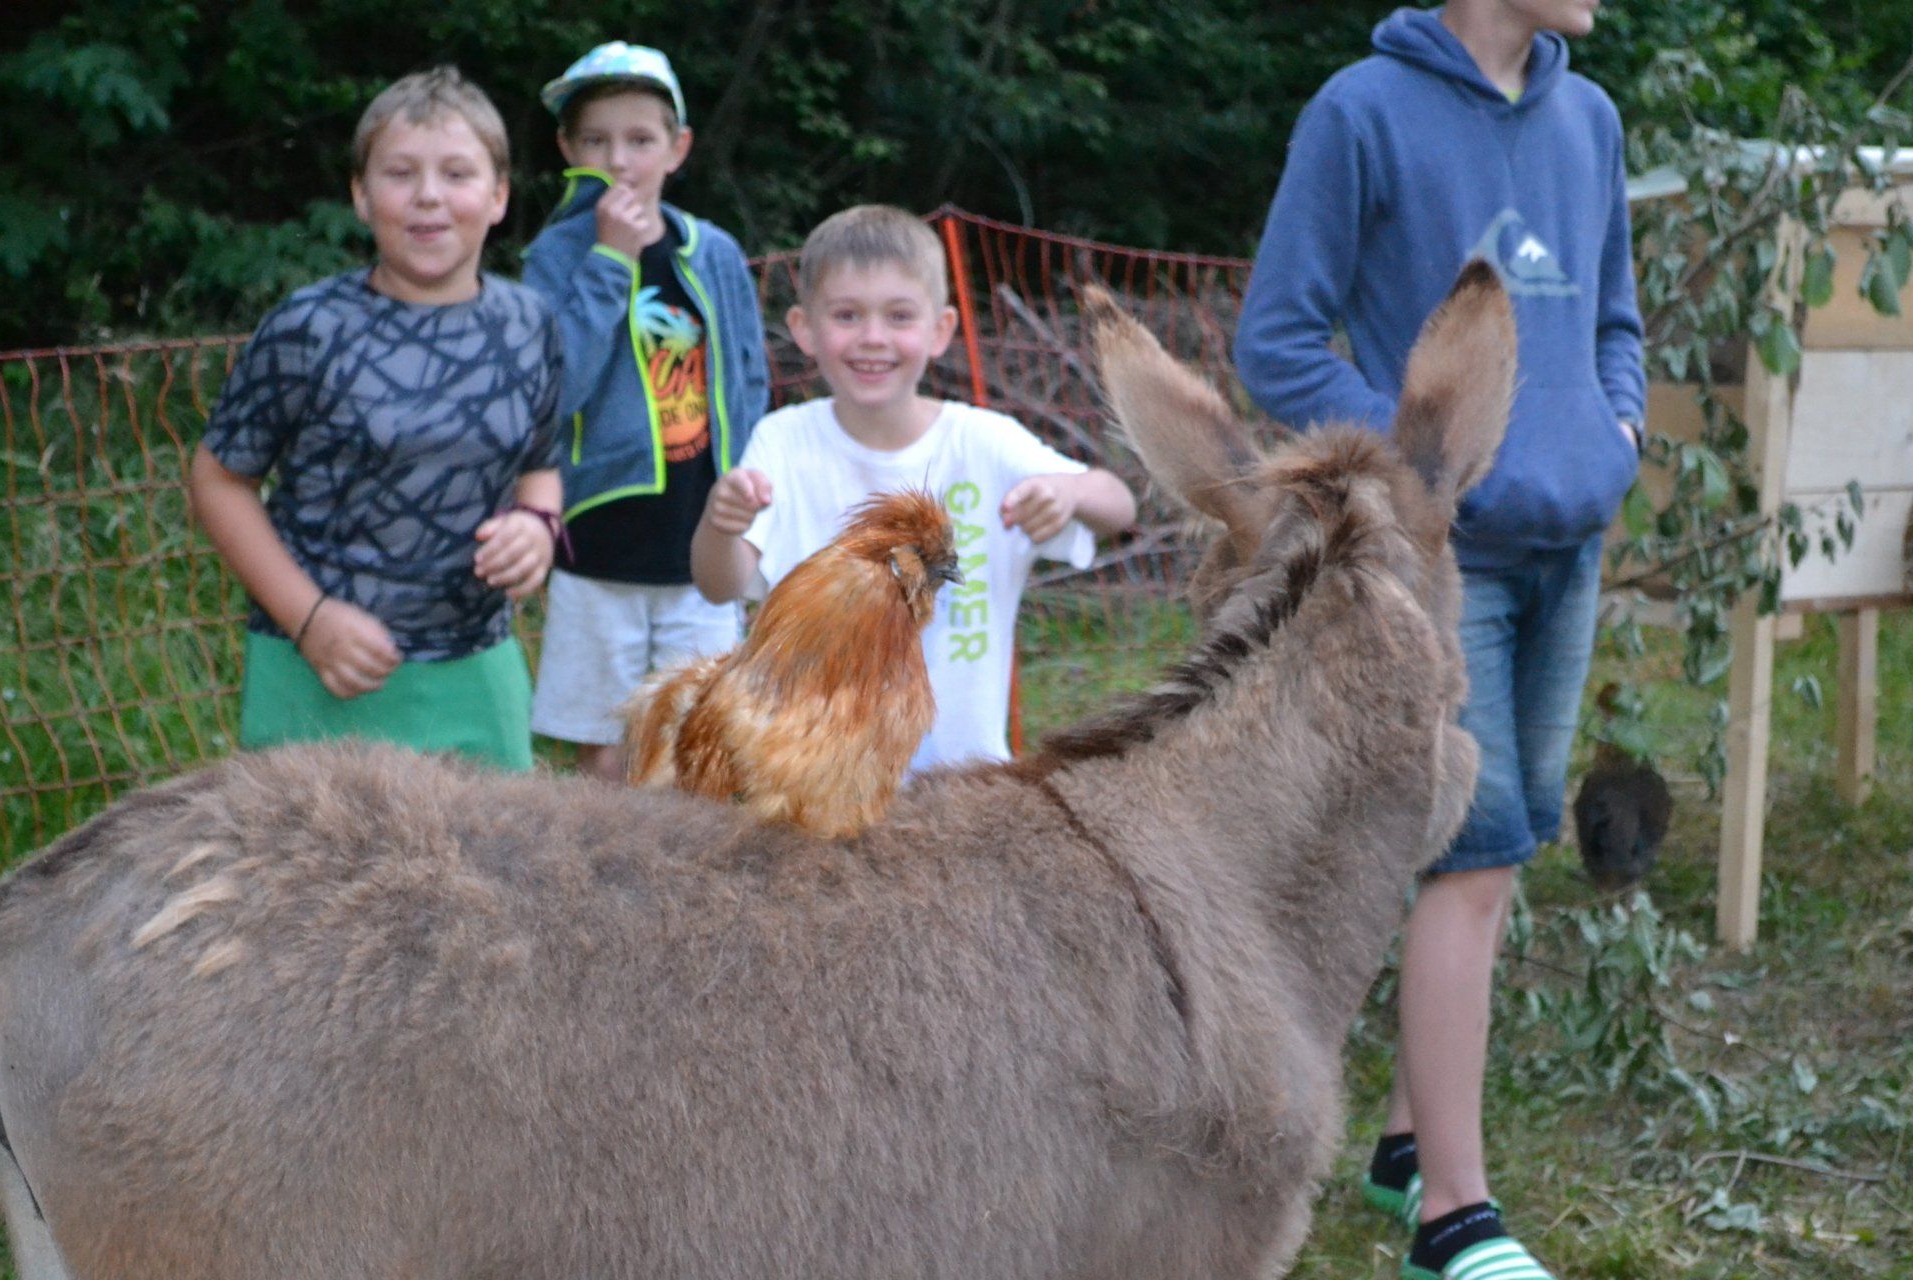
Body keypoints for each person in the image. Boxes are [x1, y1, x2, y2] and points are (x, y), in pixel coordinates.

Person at [1232, 3, 1643, 1279]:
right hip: (1444, 563)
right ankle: (1453, 1220)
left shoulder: (1592, 118)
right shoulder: (1361, 109)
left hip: (1571, 544)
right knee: (1467, 857)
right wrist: (1421, 477)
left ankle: (1409, 1138)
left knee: (1501, 851)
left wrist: (1616, 433)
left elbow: (1614, 319)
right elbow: (1279, 337)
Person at [189, 66, 563, 773]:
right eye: (400, 174)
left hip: (476, 676)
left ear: (499, 196)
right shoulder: (307, 327)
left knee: (495, 880)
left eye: (457, 173)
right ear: (361, 197)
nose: (428, 196)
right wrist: (309, 618)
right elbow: (217, 482)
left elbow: (541, 468)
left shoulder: (530, 324)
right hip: (319, 675)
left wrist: (537, 529)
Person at [692, 204, 1137, 771]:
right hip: (816, 782)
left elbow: (1117, 504)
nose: (872, 338)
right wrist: (719, 523)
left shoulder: (985, 443)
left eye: (899, 316)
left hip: (964, 786)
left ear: (940, 330)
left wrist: (1070, 494)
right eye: (847, 315)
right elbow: (718, 583)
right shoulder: (783, 443)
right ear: (803, 329)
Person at [522, 41, 770, 781]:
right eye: (596, 140)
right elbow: (553, 389)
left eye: (640, 139)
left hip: (701, 542)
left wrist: (744, 482)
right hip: (598, 539)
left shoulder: (715, 251)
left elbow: (749, 375)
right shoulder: (558, 256)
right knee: (605, 744)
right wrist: (611, 262)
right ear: (569, 150)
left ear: (677, 148)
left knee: (702, 735)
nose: (620, 159)